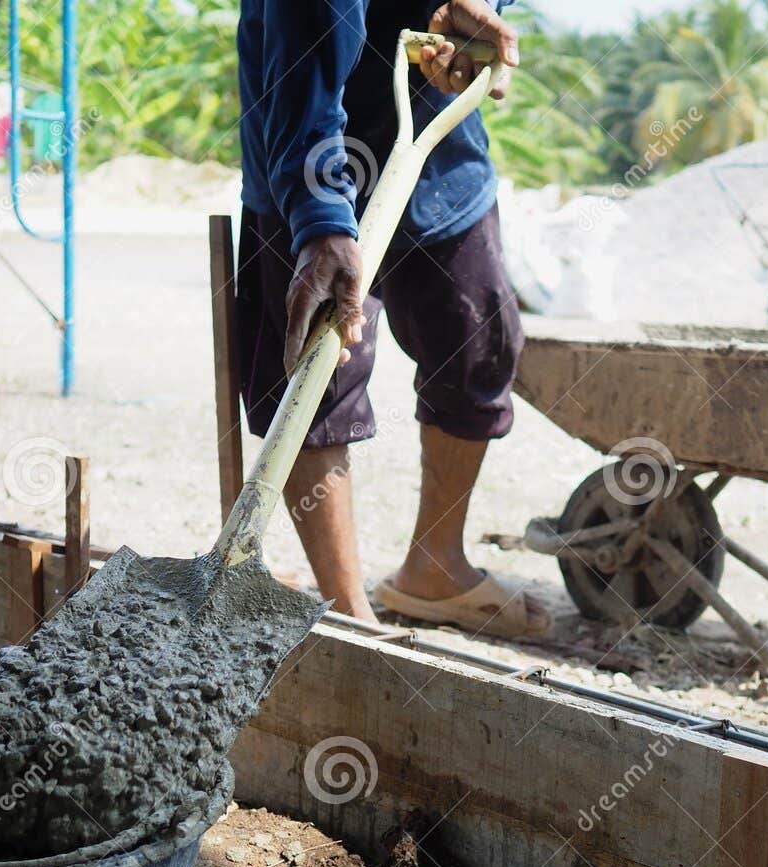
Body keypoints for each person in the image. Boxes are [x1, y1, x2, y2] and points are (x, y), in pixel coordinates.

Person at [235, 0, 550, 638]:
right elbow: (306, 39)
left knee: (479, 344)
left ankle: (433, 569)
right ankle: (349, 616)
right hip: (308, 131)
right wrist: (320, 215)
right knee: (317, 368)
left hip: (434, 143)